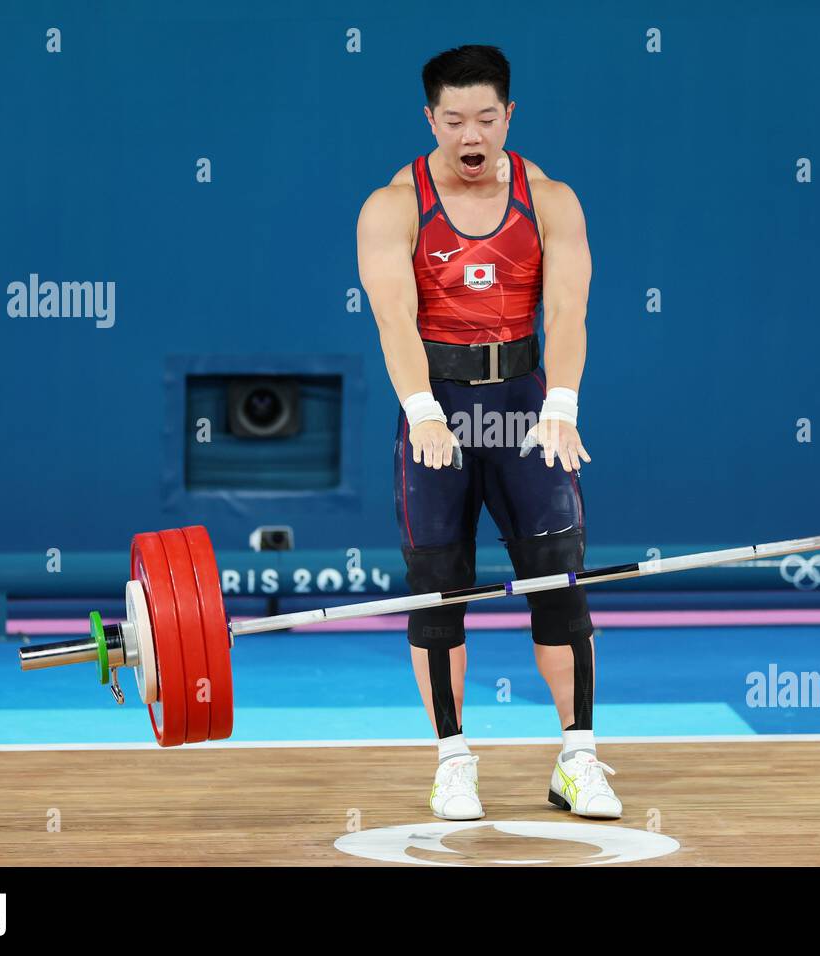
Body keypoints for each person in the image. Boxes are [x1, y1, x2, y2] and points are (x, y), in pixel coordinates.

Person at [356, 45, 620, 820]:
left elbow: (569, 311)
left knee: (559, 578)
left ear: (509, 116)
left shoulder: (551, 200)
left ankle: (578, 759)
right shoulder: (393, 205)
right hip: (436, 405)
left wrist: (562, 404)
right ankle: (452, 760)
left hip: (525, 408)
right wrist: (423, 411)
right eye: (453, 120)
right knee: (436, 587)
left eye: (485, 118)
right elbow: (392, 317)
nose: (470, 134)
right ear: (430, 119)